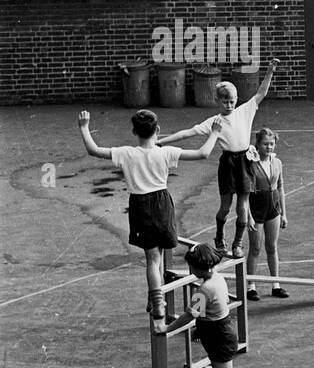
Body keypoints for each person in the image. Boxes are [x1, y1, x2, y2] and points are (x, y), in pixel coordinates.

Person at [78, 108, 220, 331]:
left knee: (153, 258)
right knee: (159, 254)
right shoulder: (165, 152)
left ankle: (157, 302)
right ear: (158, 130)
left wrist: (84, 127)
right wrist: (215, 132)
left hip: (140, 204)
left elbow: (94, 150)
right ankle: (156, 295)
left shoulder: (126, 152)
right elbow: (203, 153)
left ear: (134, 131)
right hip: (162, 202)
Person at [158, 59, 280, 259]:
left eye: (232, 101)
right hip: (229, 164)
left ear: (237, 99)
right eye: (225, 101)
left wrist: (269, 71)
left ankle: (237, 243)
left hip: (245, 162)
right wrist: (162, 142)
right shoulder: (215, 121)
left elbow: (261, 93)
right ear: (217, 101)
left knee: (243, 208)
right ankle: (219, 237)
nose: (229, 105)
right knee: (225, 207)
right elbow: (188, 133)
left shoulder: (245, 110)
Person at [185, 242, 241, 368]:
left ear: (198, 267)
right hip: (217, 333)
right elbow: (212, 311)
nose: (189, 270)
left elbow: (188, 315)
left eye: (190, 266)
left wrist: (166, 328)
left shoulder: (204, 290)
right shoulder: (216, 277)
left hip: (220, 338)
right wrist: (200, 329)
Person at [245, 127, 288, 302]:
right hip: (256, 209)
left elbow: (280, 187)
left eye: (272, 144)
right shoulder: (251, 164)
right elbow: (245, 194)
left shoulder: (277, 162)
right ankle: (251, 286)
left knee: (272, 247)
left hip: (273, 209)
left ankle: (275, 284)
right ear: (258, 144)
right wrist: (247, 216)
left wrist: (284, 213)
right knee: (255, 248)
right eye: (265, 144)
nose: (269, 147)